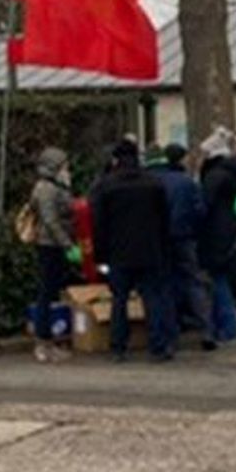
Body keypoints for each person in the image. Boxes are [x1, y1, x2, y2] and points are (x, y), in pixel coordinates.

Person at [88, 139, 177, 363]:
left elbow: (99, 223)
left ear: (116, 159)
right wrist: (164, 247)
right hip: (150, 250)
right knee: (152, 297)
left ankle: (118, 347)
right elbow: (164, 219)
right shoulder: (154, 183)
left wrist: (100, 254)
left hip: (119, 252)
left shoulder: (106, 186)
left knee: (119, 300)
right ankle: (158, 346)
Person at [149, 143, 216, 352]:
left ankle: (170, 335)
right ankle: (207, 330)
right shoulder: (187, 182)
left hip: (159, 239)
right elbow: (200, 210)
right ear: (182, 159)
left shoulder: (155, 180)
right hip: (185, 237)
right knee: (194, 282)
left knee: (164, 285)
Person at [29, 147, 82, 364]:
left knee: (51, 292)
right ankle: (43, 342)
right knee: (47, 293)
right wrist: (67, 245)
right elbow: (50, 220)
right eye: (63, 166)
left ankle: (49, 341)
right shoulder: (47, 189)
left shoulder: (54, 187)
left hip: (54, 244)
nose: (67, 170)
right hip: (50, 246)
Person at [196, 127, 236, 343]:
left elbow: (204, 205)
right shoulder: (232, 175)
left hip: (214, 233)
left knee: (217, 281)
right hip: (228, 230)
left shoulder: (214, 177)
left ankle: (226, 327)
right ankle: (227, 326)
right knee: (221, 279)